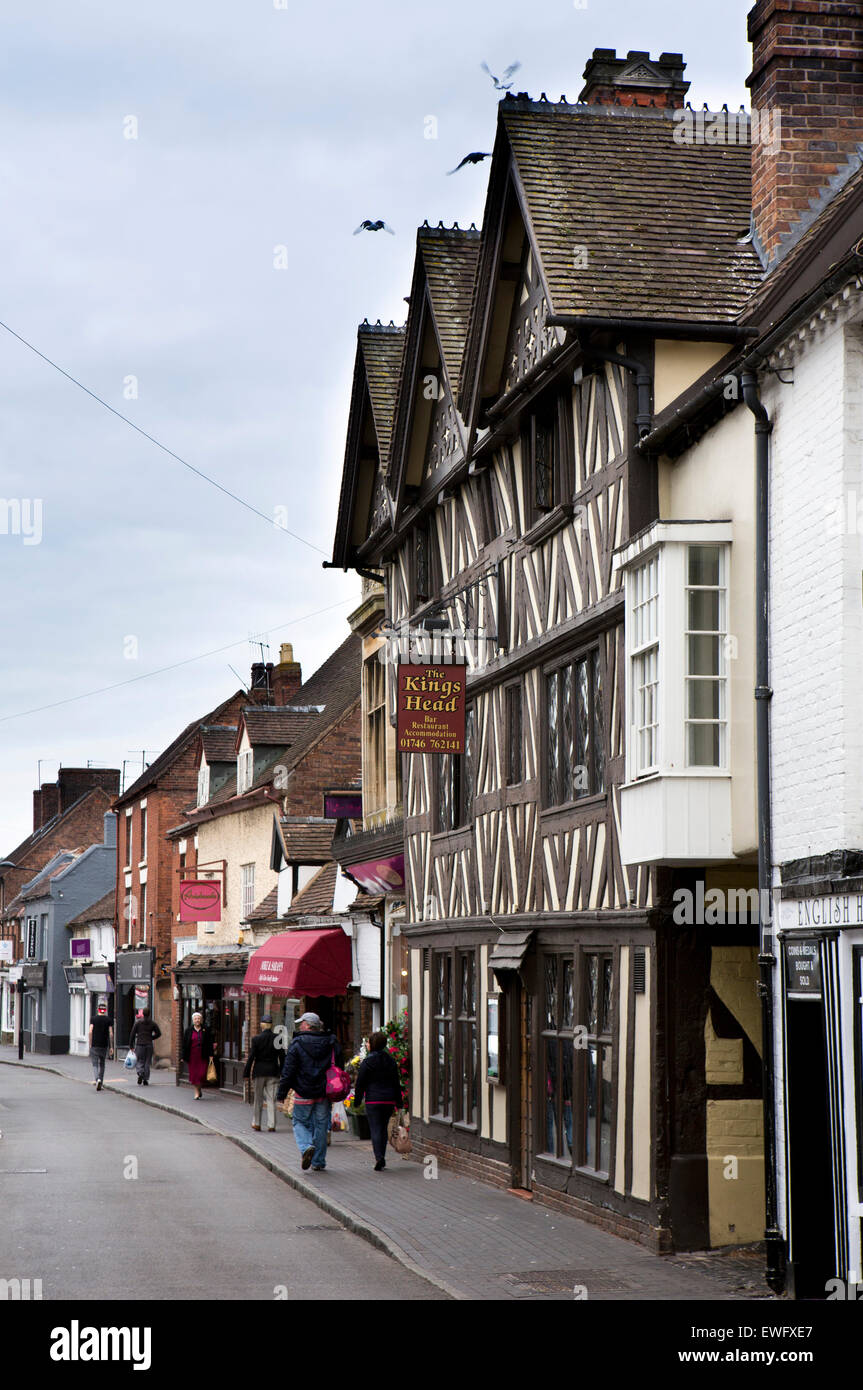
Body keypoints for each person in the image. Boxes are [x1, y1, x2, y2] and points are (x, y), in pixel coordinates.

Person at [275, 1012, 342, 1172]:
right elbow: (339, 1066)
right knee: (320, 1126)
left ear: (308, 1025)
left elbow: (289, 1070)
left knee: (299, 1122)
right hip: (324, 1091)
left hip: (303, 1090)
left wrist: (282, 1093)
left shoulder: (298, 1043)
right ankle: (318, 1161)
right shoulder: (331, 1042)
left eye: (302, 1023)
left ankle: (306, 1147)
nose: (299, 1026)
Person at [353, 1031, 403, 1171]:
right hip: (388, 1100)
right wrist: (399, 1101)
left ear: (373, 1044)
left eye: (368, 1042)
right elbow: (395, 1082)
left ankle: (379, 1157)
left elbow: (360, 1083)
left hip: (373, 1100)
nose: (367, 1045)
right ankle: (382, 1156)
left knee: (375, 1128)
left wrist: (357, 1100)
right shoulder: (390, 1061)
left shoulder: (367, 1062)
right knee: (383, 1128)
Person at [243, 1013, 285, 1132]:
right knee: (272, 1099)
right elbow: (282, 1057)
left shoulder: (256, 1039)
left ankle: (257, 1123)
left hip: (259, 1071)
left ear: (261, 1025)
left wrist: (246, 1073)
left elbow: (251, 1057)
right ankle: (272, 1124)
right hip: (273, 1071)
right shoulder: (278, 1038)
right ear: (271, 1025)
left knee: (258, 1098)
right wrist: (282, 1071)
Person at [182, 1010, 216, 1099]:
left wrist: (211, 1055)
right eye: (195, 1019)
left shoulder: (206, 1030)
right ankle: (197, 1091)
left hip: (202, 1055)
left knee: (201, 1074)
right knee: (194, 1075)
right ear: (193, 1020)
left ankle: (199, 1089)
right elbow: (184, 1044)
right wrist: (183, 1056)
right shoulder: (188, 1030)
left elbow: (210, 1043)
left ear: (201, 1020)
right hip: (192, 1055)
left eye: (198, 1019)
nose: (197, 1020)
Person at [129, 1006, 161, 1086]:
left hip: (140, 1044)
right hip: (149, 1045)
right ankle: (145, 1079)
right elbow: (159, 1033)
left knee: (140, 1061)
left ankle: (140, 1073)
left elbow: (132, 1034)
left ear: (143, 1013)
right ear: (149, 1014)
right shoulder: (152, 1023)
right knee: (147, 1062)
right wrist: (151, 1037)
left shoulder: (138, 1023)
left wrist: (131, 1045)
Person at [88, 1004, 113, 1091]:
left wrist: (90, 1043)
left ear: (98, 1010)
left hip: (95, 1044)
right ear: (105, 1010)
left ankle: (97, 1079)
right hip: (104, 1045)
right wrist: (111, 1047)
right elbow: (111, 1034)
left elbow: (90, 1031)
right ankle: (100, 1081)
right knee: (102, 1064)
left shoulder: (93, 1019)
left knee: (95, 1064)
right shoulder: (108, 1020)